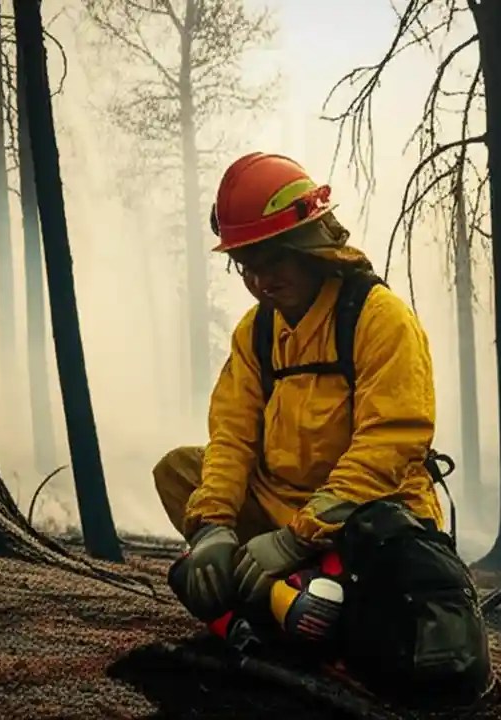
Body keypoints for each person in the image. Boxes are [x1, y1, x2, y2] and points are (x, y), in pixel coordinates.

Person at [152, 151, 443, 617]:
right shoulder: (256, 333)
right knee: (180, 471)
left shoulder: (379, 318)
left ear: (310, 247)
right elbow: (232, 438)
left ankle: (297, 595)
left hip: (365, 515)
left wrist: (297, 537)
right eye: (247, 265)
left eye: (273, 261)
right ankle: (280, 592)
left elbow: (388, 445)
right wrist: (212, 527)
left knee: (380, 556)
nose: (261, 281)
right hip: (281, 513)